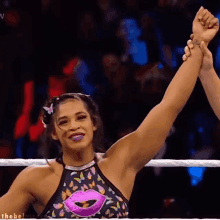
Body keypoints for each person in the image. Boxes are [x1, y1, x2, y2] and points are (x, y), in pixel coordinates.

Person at [0, 7, 219, 219]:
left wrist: (199, 43)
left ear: (93, 123)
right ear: (54, 133)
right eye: (63, 122)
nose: (74, 126)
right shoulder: (35, 178)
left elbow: (170, 105)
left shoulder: (120, 162)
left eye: (80, 117)